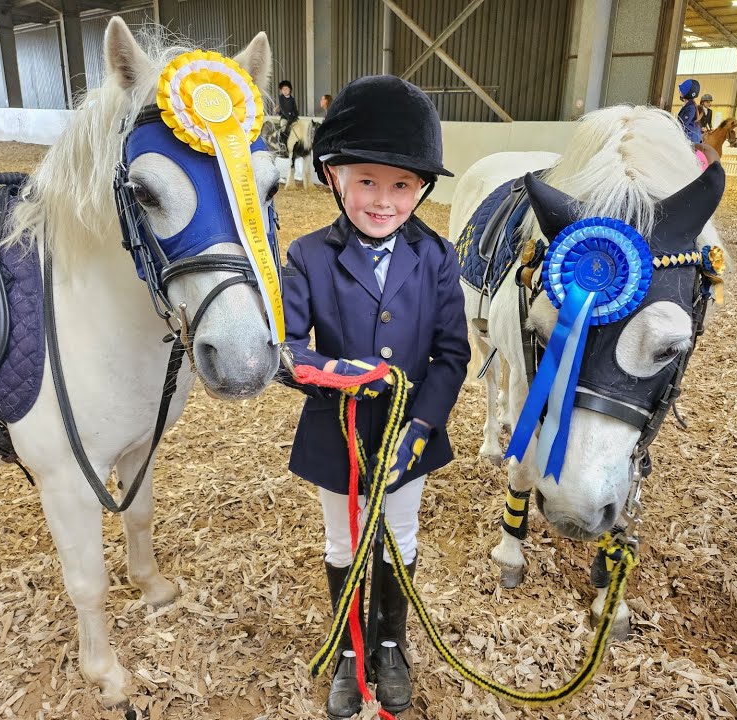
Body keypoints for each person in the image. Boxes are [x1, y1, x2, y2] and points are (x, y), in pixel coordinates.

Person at [278, 74, 470, 719]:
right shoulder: (308, 255)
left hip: (409, 432)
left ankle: (391, 643)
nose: (383, 201)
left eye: (401, 186)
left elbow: (452, 353)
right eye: (367, 181)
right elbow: (289, 349)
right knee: (343, 543)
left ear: (421, 189)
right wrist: (337, 370)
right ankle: (348, 649)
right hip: (337, 431)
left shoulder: (438, 257)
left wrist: (420, 427)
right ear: (335, 177)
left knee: (400, 538)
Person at [677, 78, 703, 143]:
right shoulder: (688, 105)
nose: (680, 92)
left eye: (681, 91)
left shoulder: (690, 108)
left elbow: (683, 124)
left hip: (689, 138)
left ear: (687, 93)